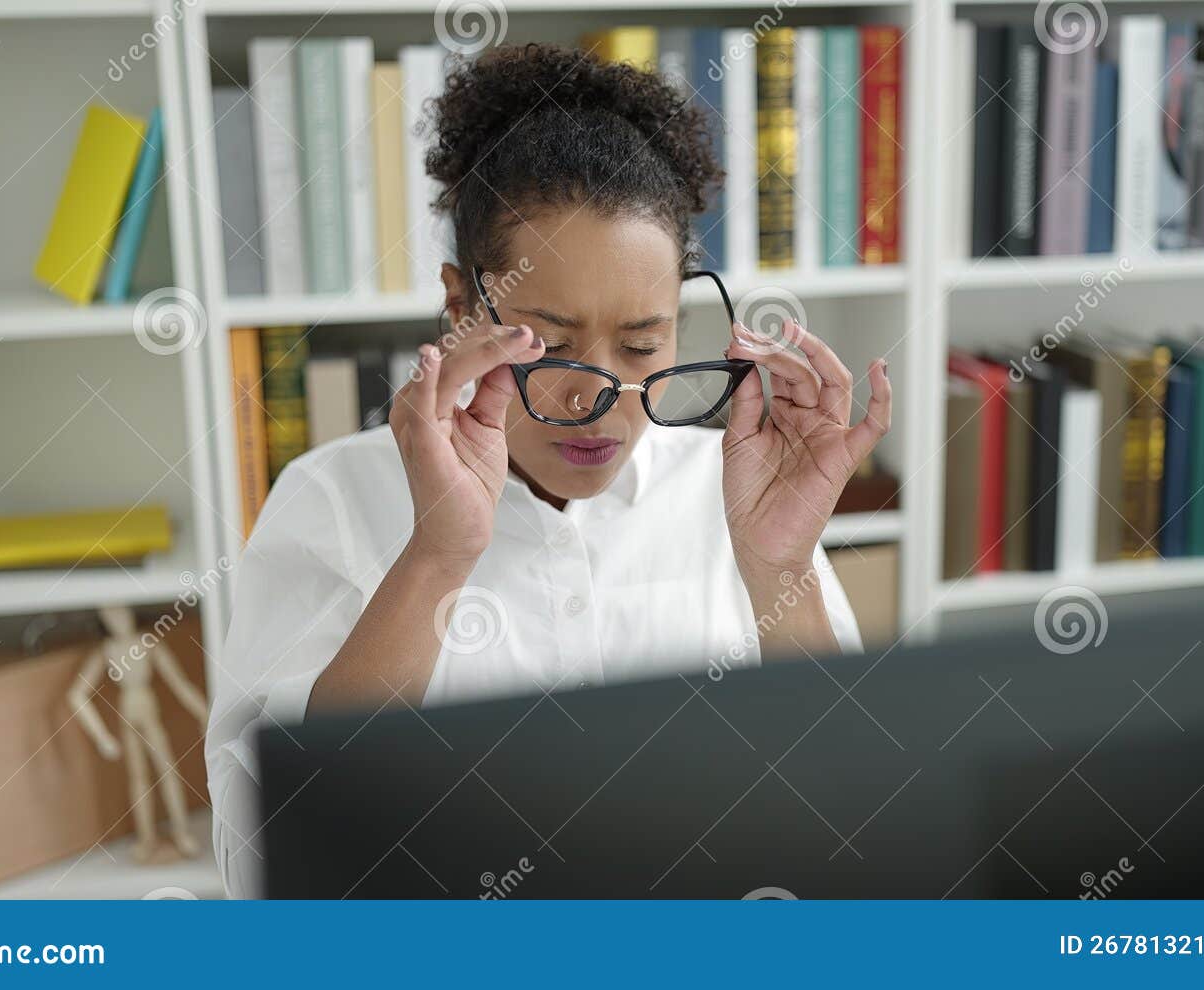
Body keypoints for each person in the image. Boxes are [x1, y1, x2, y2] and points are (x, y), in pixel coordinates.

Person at [205, 43, 892, 896]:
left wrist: (781, 569)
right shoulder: (333, 499)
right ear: (462, 306)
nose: (596, 398)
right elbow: (267, 858)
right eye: (551, 344)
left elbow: (851, 817)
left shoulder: (736, 496)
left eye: (641, 344)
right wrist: (437, 557)